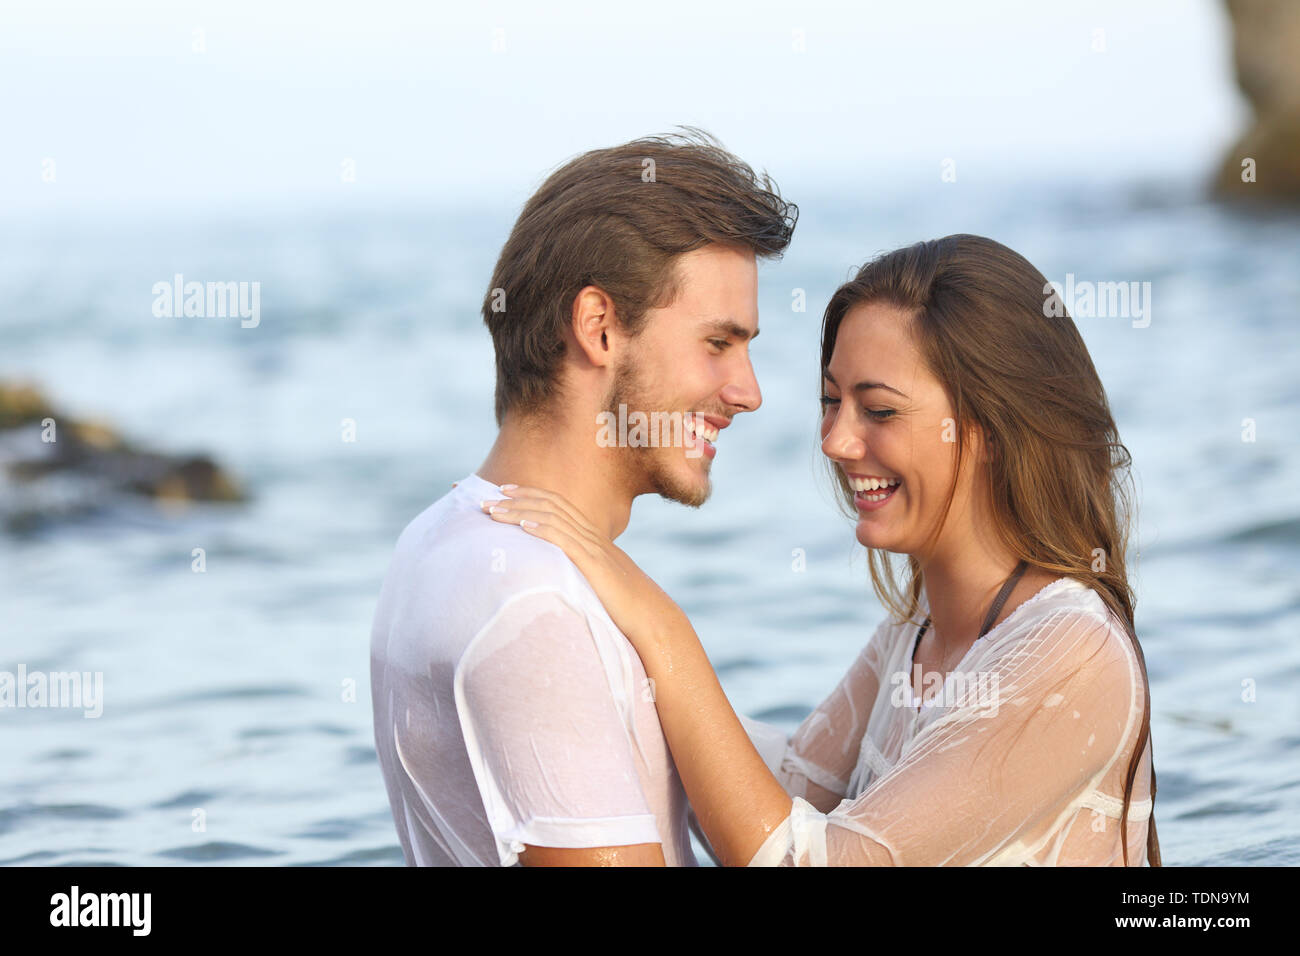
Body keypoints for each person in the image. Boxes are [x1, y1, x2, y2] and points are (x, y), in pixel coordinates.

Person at [479, 233, 1163, 866]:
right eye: (831, 401)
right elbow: (790, 790)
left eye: (880, 410)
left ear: (990, 429)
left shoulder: (1071, 652)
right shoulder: (916, 629)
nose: (836, 441)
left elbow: (808, 862)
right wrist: (605, 648)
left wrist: (659, 627)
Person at [369, 127, 798, 866]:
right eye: (718, 344)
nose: (748, 393)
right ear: (599, 328)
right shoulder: (535, 601)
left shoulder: (440, 540)